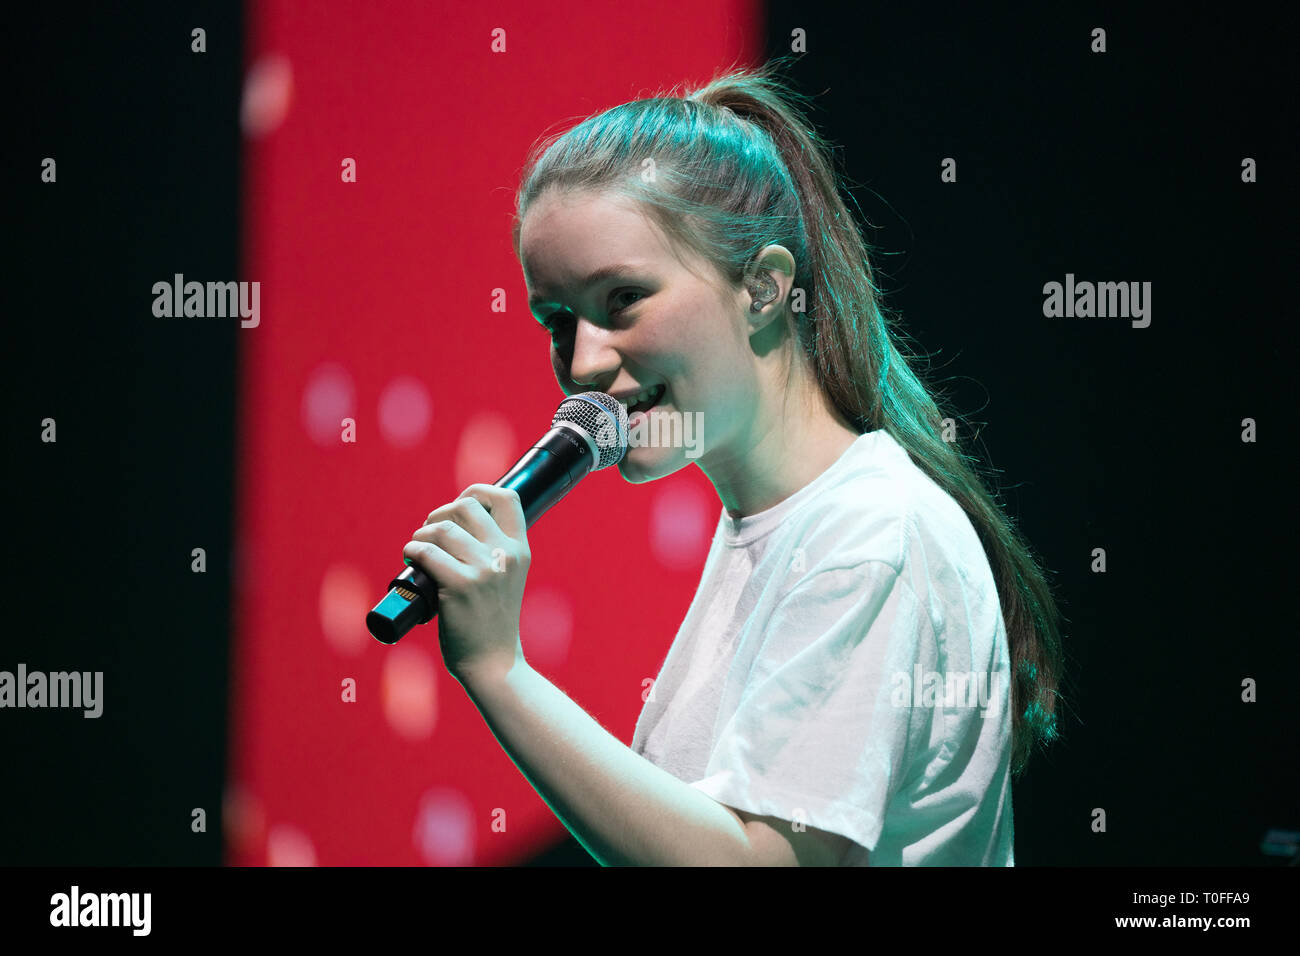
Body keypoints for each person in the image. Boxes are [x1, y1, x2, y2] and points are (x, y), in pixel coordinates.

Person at [402, 58, 1065, 866]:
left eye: (622, 301)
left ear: (761, 287)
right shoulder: (781, 524)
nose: (582, 364)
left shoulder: (868, 536)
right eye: (556, 321)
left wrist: (499, 669)